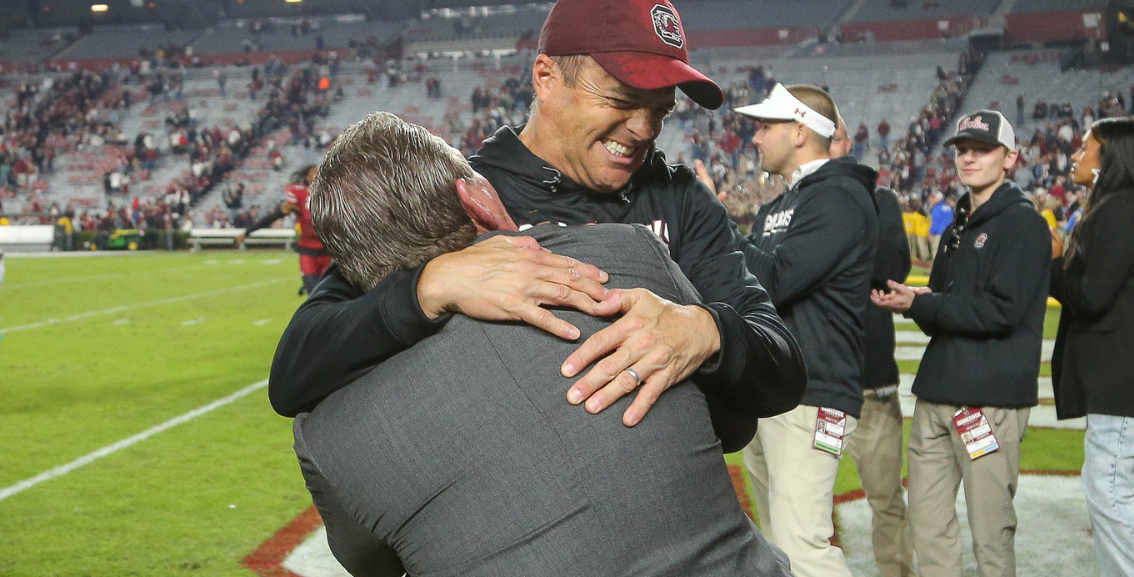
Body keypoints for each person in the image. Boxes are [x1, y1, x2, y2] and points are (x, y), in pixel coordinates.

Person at [268, 0, 805, 452]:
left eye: (660, 110)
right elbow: (296, 371)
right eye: (622, 99)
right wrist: (427, 286)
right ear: (546, 77)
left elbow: (782, 367)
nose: (644, 129)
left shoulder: (682, 198)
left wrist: (706, 332)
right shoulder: (462, 193)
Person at [293, 112, 793, 577]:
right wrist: (707, 331)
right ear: (478, 199)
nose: (645, 127)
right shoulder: (626, 256)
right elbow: (732, 426)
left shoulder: (327, 430)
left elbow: (371, 563)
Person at [872, 110, 1052, 577]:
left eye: (982, 149)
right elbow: (944, 311)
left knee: (991, 534)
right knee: (928, 527)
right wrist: (918, 302)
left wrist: (923, 304)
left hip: (988, 400)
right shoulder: (956, 227)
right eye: (962, 149)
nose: (968, 157)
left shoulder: (1023, 224)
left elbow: (1001, 312)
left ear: (1010, 158)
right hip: (937, 392)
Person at [732, 84, 879, 577]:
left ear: (799, 131)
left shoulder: (839, 196)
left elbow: (773, 280)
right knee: (779, 547)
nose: (755, 138)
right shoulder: (782, 205)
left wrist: (710, 223)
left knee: (804, 545)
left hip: (813, 391)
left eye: (765, 126)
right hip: (776, 390)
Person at [1050, 118, 1134, 577]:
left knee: (1111, 498)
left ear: (1108, 158)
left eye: (1085, 148)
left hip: (1126, 380)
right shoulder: (1132, 205)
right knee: (1112, 497)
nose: (1075, 155)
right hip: (1133, 379)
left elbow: (1091, 294)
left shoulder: (1123, 208)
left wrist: (1053, 261)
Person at [834, 118, 917, 577]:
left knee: (887, 500)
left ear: (848, 144)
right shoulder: (790, 204)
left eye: (838, 137)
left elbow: (890, 268)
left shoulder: (880, 199)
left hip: (870, 386)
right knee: (797, 505)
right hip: (810, 390)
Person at [235, 164, 330, 296]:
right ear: (308, 178)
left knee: (331, 294)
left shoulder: (332, 193)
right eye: (316, 172)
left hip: (330, 251)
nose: (320, 175)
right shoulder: (298, 195)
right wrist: (247, 232)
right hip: (308, 250)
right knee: (313, 294)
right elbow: (273, 217)